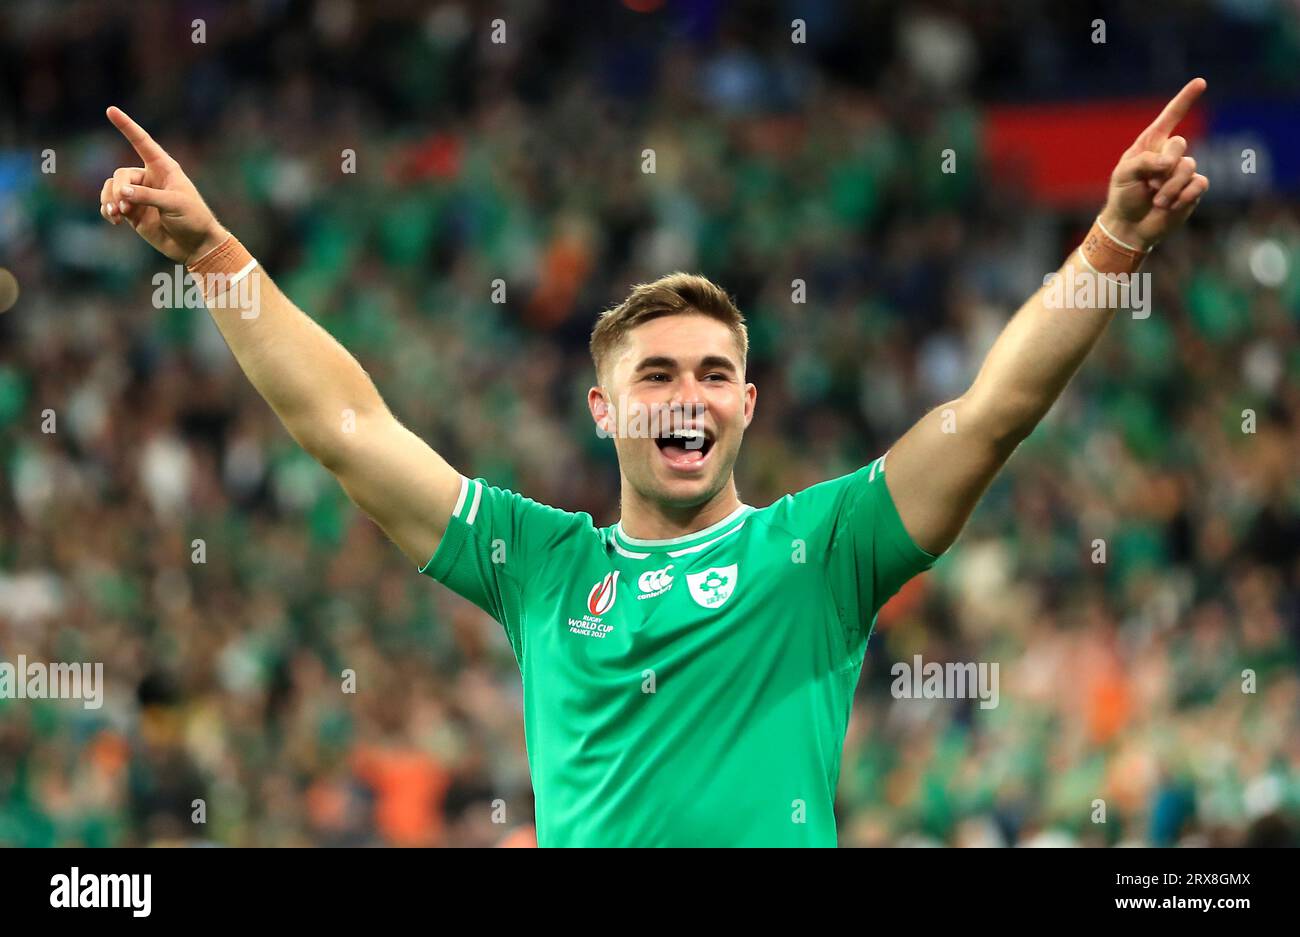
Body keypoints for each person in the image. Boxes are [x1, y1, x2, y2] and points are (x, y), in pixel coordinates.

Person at [96, 78, 1210, 847]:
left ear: (748, 403)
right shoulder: (537, 562)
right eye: (658, 375)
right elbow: (347, 429)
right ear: (601, 409)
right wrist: (213, 254)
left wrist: (1112, 242)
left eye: (713, 373)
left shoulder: (818, 550)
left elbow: (994, 410)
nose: (688, 396)